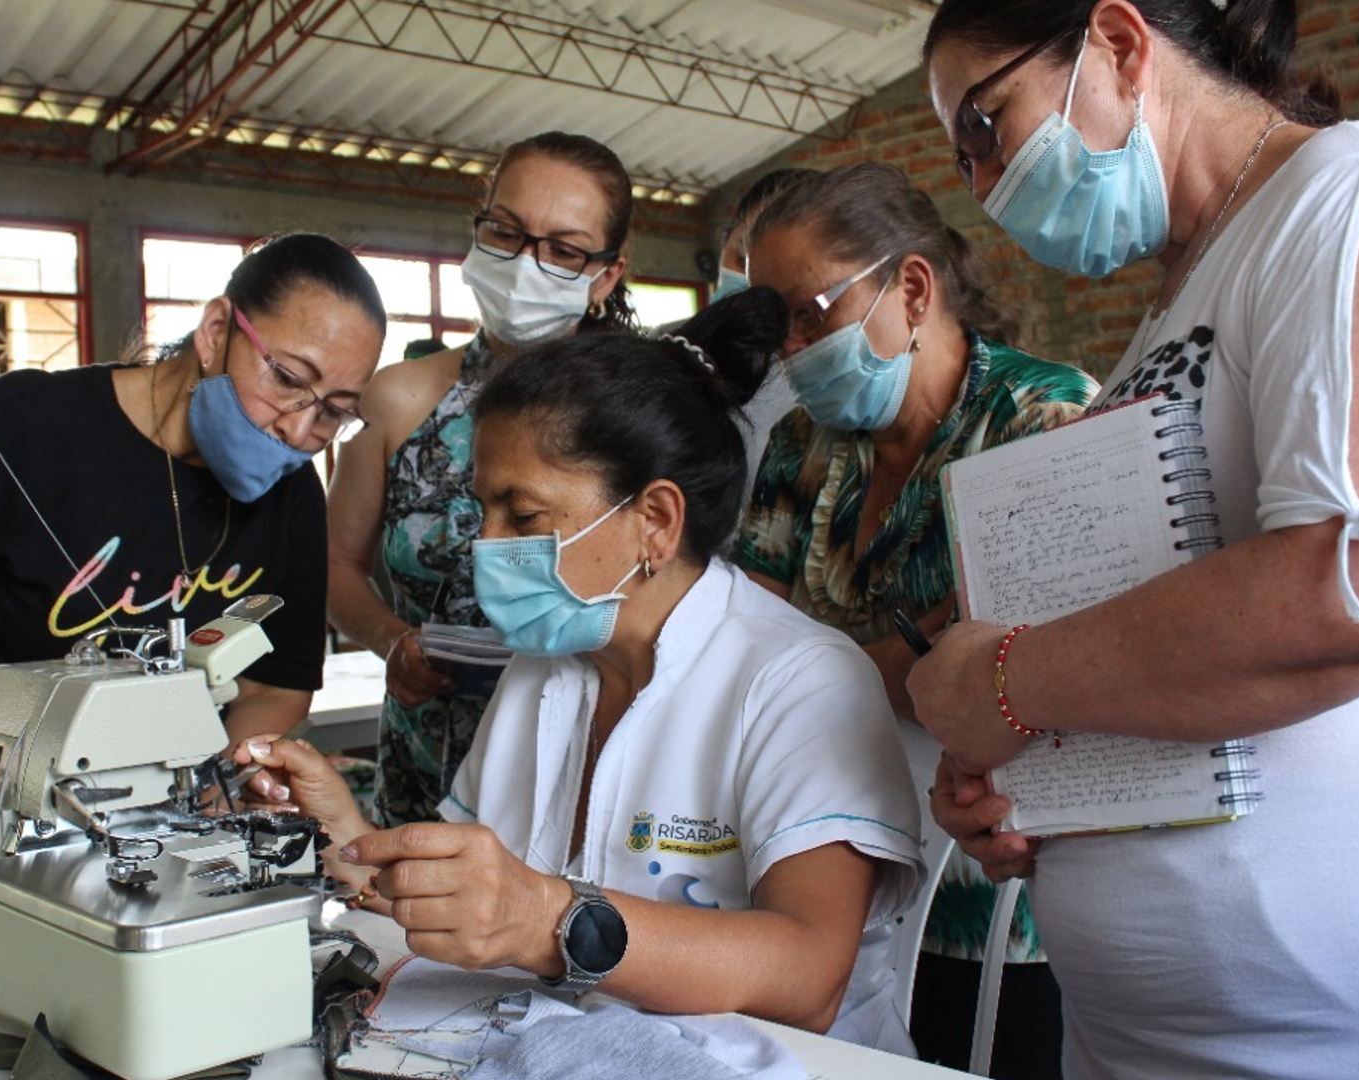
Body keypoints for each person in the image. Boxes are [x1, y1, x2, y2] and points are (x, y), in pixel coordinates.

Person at [913, 2, 1359, 1077]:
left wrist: (1001, 683)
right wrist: (1038, 784)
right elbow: (1156, 653)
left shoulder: (1354, 188)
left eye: (985, 122)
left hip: (1334, 1034)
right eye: (960, 158)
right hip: (1142, 1032)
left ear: (1120, 45)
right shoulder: (1169, 311)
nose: (982, 184)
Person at [237, 288, 923, 1050]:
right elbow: (478, 908)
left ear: (655, 522)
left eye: (523, 516)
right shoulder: (544, 672)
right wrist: (351, 841)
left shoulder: (798, 680)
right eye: (483, 510)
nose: (485, 544)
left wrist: (551, 922)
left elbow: (809, 977)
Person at [0, 233, 387, 894]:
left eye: (334, 413)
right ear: (217, 331)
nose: (299, 431)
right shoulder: (2, 432)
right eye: (288, 381)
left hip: (171, 862)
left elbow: (278, 683)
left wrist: (213, 784)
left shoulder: (290, 496)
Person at [734, 161, 1097, 1076]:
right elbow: (747, 650)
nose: (791, 350)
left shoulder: (1042, 420)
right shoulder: (801, 444)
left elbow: (1017, 673)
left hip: (998, 877)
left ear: (913, 288)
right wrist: (923, 647)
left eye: (812, 313)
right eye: (776, 328)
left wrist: (838, 670)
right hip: (823, 867)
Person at [326, 131, 634, 827]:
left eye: (563, 250)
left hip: (584, 773)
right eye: (506, 232)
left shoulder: (635, 418)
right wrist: (392, 640)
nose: (526, 264)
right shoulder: (401, 400)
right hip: (426, 769)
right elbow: (335, 564)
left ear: (606, 277)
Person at [707, 166, 819, 499]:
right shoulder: (667, 347)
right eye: (742, 259)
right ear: (723, 243)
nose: (755, 286)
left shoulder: (821, 382)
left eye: (779, 271)